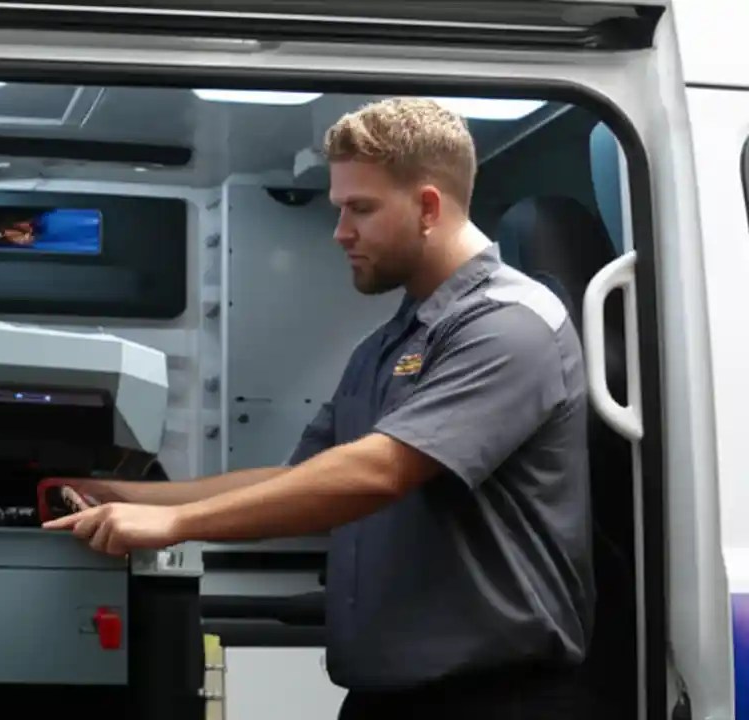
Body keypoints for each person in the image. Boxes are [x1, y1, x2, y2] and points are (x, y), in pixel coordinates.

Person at [42, 97, 596, 718]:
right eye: (340, 209)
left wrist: (175, 526)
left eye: (360, 208)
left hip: (497, 699)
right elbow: (296, 483)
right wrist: (125, 497)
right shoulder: (386, 346)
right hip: (389, 697)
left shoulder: (510, 325)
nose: (340, 232)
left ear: (428, 208)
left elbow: (380, 471)